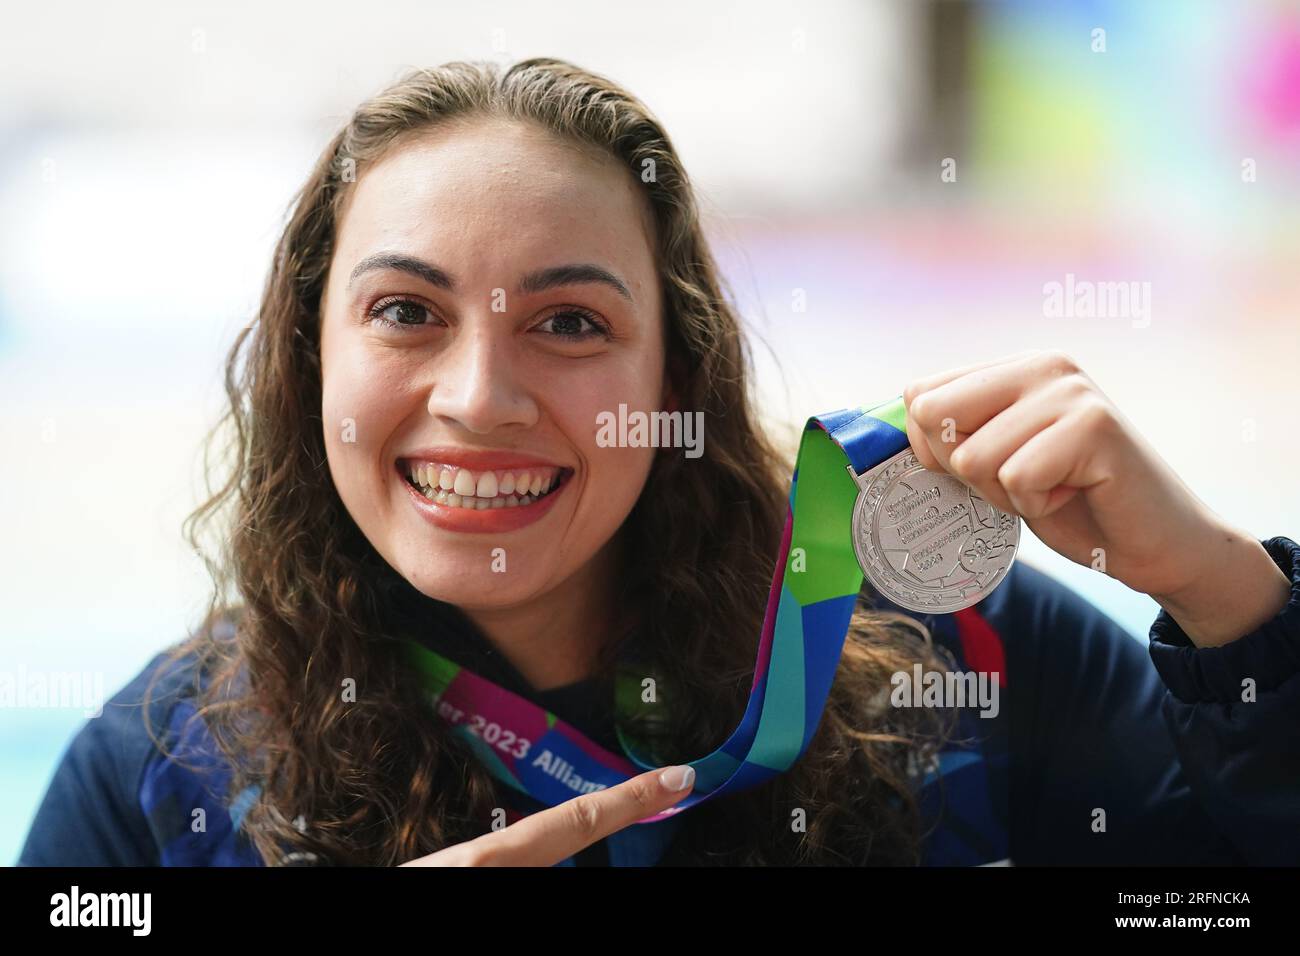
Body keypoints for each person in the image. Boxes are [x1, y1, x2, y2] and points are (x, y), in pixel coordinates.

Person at [17, 58, 1299, 868]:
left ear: (673, 380)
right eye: (405, 311)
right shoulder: (158, 769)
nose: (478, 397)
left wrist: (1227, 595)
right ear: (311, 360)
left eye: (571, 323)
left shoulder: (949, 652)